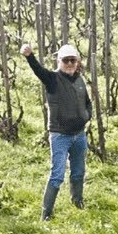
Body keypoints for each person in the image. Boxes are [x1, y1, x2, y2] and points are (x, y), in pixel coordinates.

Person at [20, 42, 92, 221]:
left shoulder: (80, 80)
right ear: (59, 61)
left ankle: (78, 203)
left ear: (77, 62)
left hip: (79, 134)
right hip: (60, 135)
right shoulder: (52, 79)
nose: (69, 64)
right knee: (57, 174)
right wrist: (30, 56)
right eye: (66, 60)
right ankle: (46, 214)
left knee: (78, 171)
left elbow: (87, 102)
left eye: (72, 60)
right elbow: (39, 70)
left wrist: (86, 116)